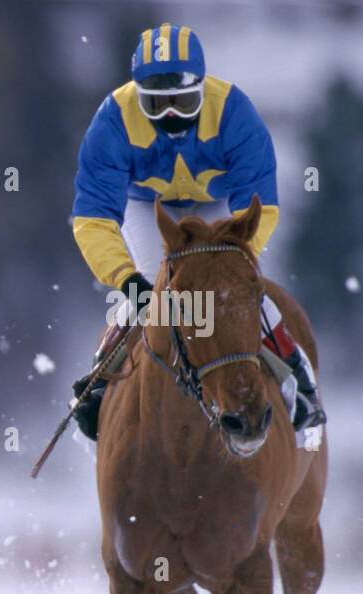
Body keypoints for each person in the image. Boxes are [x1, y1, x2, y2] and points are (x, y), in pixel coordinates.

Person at [69, 22, 324, 440]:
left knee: (239, 292)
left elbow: (262, 205)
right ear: (136, 95)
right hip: (149, 206)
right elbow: (93, 218)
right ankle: (97, 384)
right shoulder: (112, 118)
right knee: (150, 294)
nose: (171, 114)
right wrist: (127, 281)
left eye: (183, 100)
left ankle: (303, 383)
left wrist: (231, 264)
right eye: (156, 104)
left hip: (222, 207)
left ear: (203, 88)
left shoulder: (234, 111)